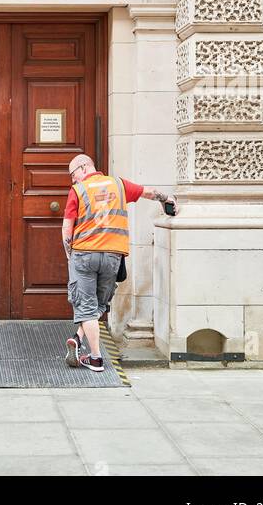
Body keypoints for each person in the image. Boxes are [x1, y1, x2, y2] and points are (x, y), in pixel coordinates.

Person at [62, 153, 178, 372]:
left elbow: (67, 228)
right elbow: (149, 192)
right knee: (99, 304)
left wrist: (69, 254)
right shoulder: (119, 185)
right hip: (113, 256)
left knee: (86, 308)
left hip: (84, 254)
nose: (73, 179)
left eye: (73, 174)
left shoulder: (78, 190)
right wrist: (166, 199)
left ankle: (95, 358)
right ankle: (77, 339)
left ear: (85, 168)